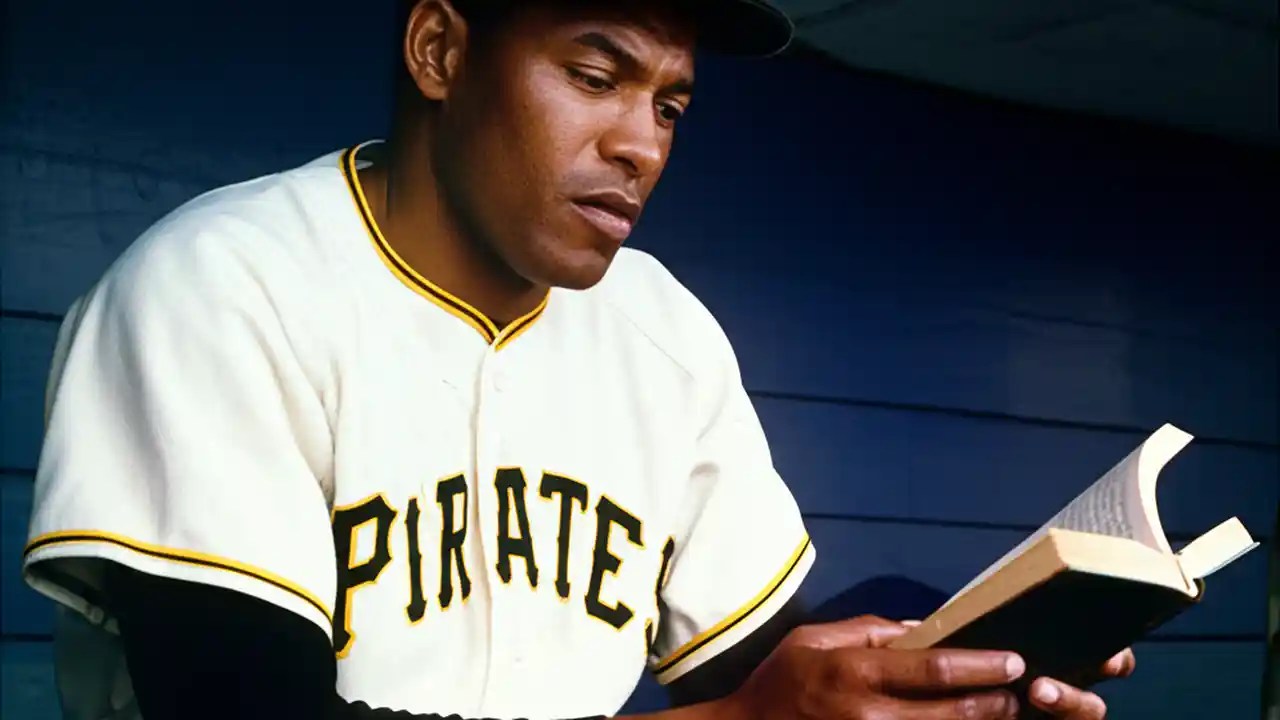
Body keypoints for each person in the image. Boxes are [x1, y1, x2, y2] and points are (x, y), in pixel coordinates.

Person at [21, 1, 1135, 718]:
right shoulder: (219, 283)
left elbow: (756, 667)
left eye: (668, 103)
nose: (641, 144)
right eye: (594, 76)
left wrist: (941, 676)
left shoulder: (663, 328)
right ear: (440, 51)